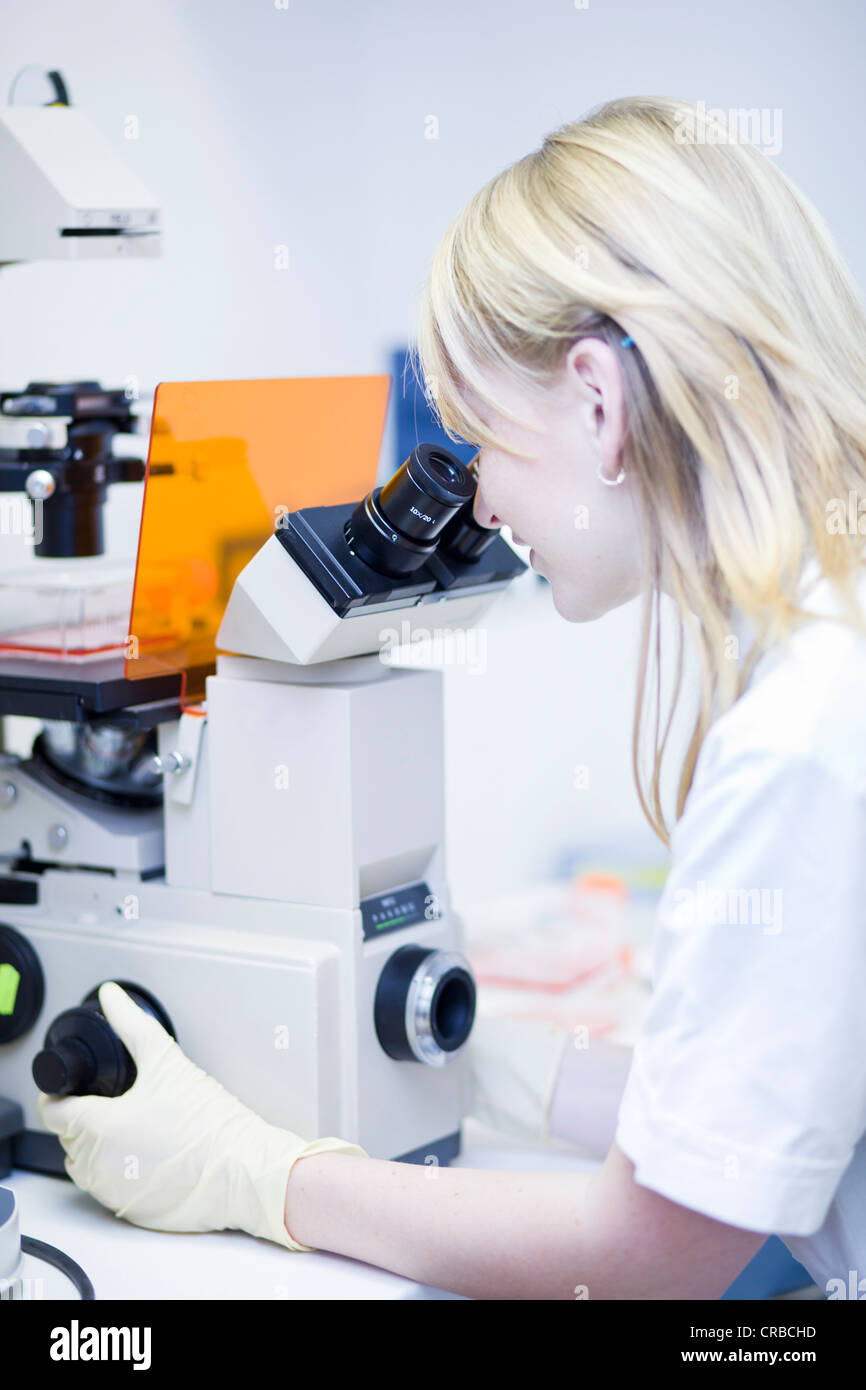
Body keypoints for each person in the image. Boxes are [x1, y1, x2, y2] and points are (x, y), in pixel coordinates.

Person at [40, 94, 866, 1301]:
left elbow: (642, 1261)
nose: (477, 505)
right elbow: (788, 1100)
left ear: (596, 399)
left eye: (480, 438)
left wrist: (257, 1171)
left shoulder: (801, 733)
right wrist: (504, 1070)